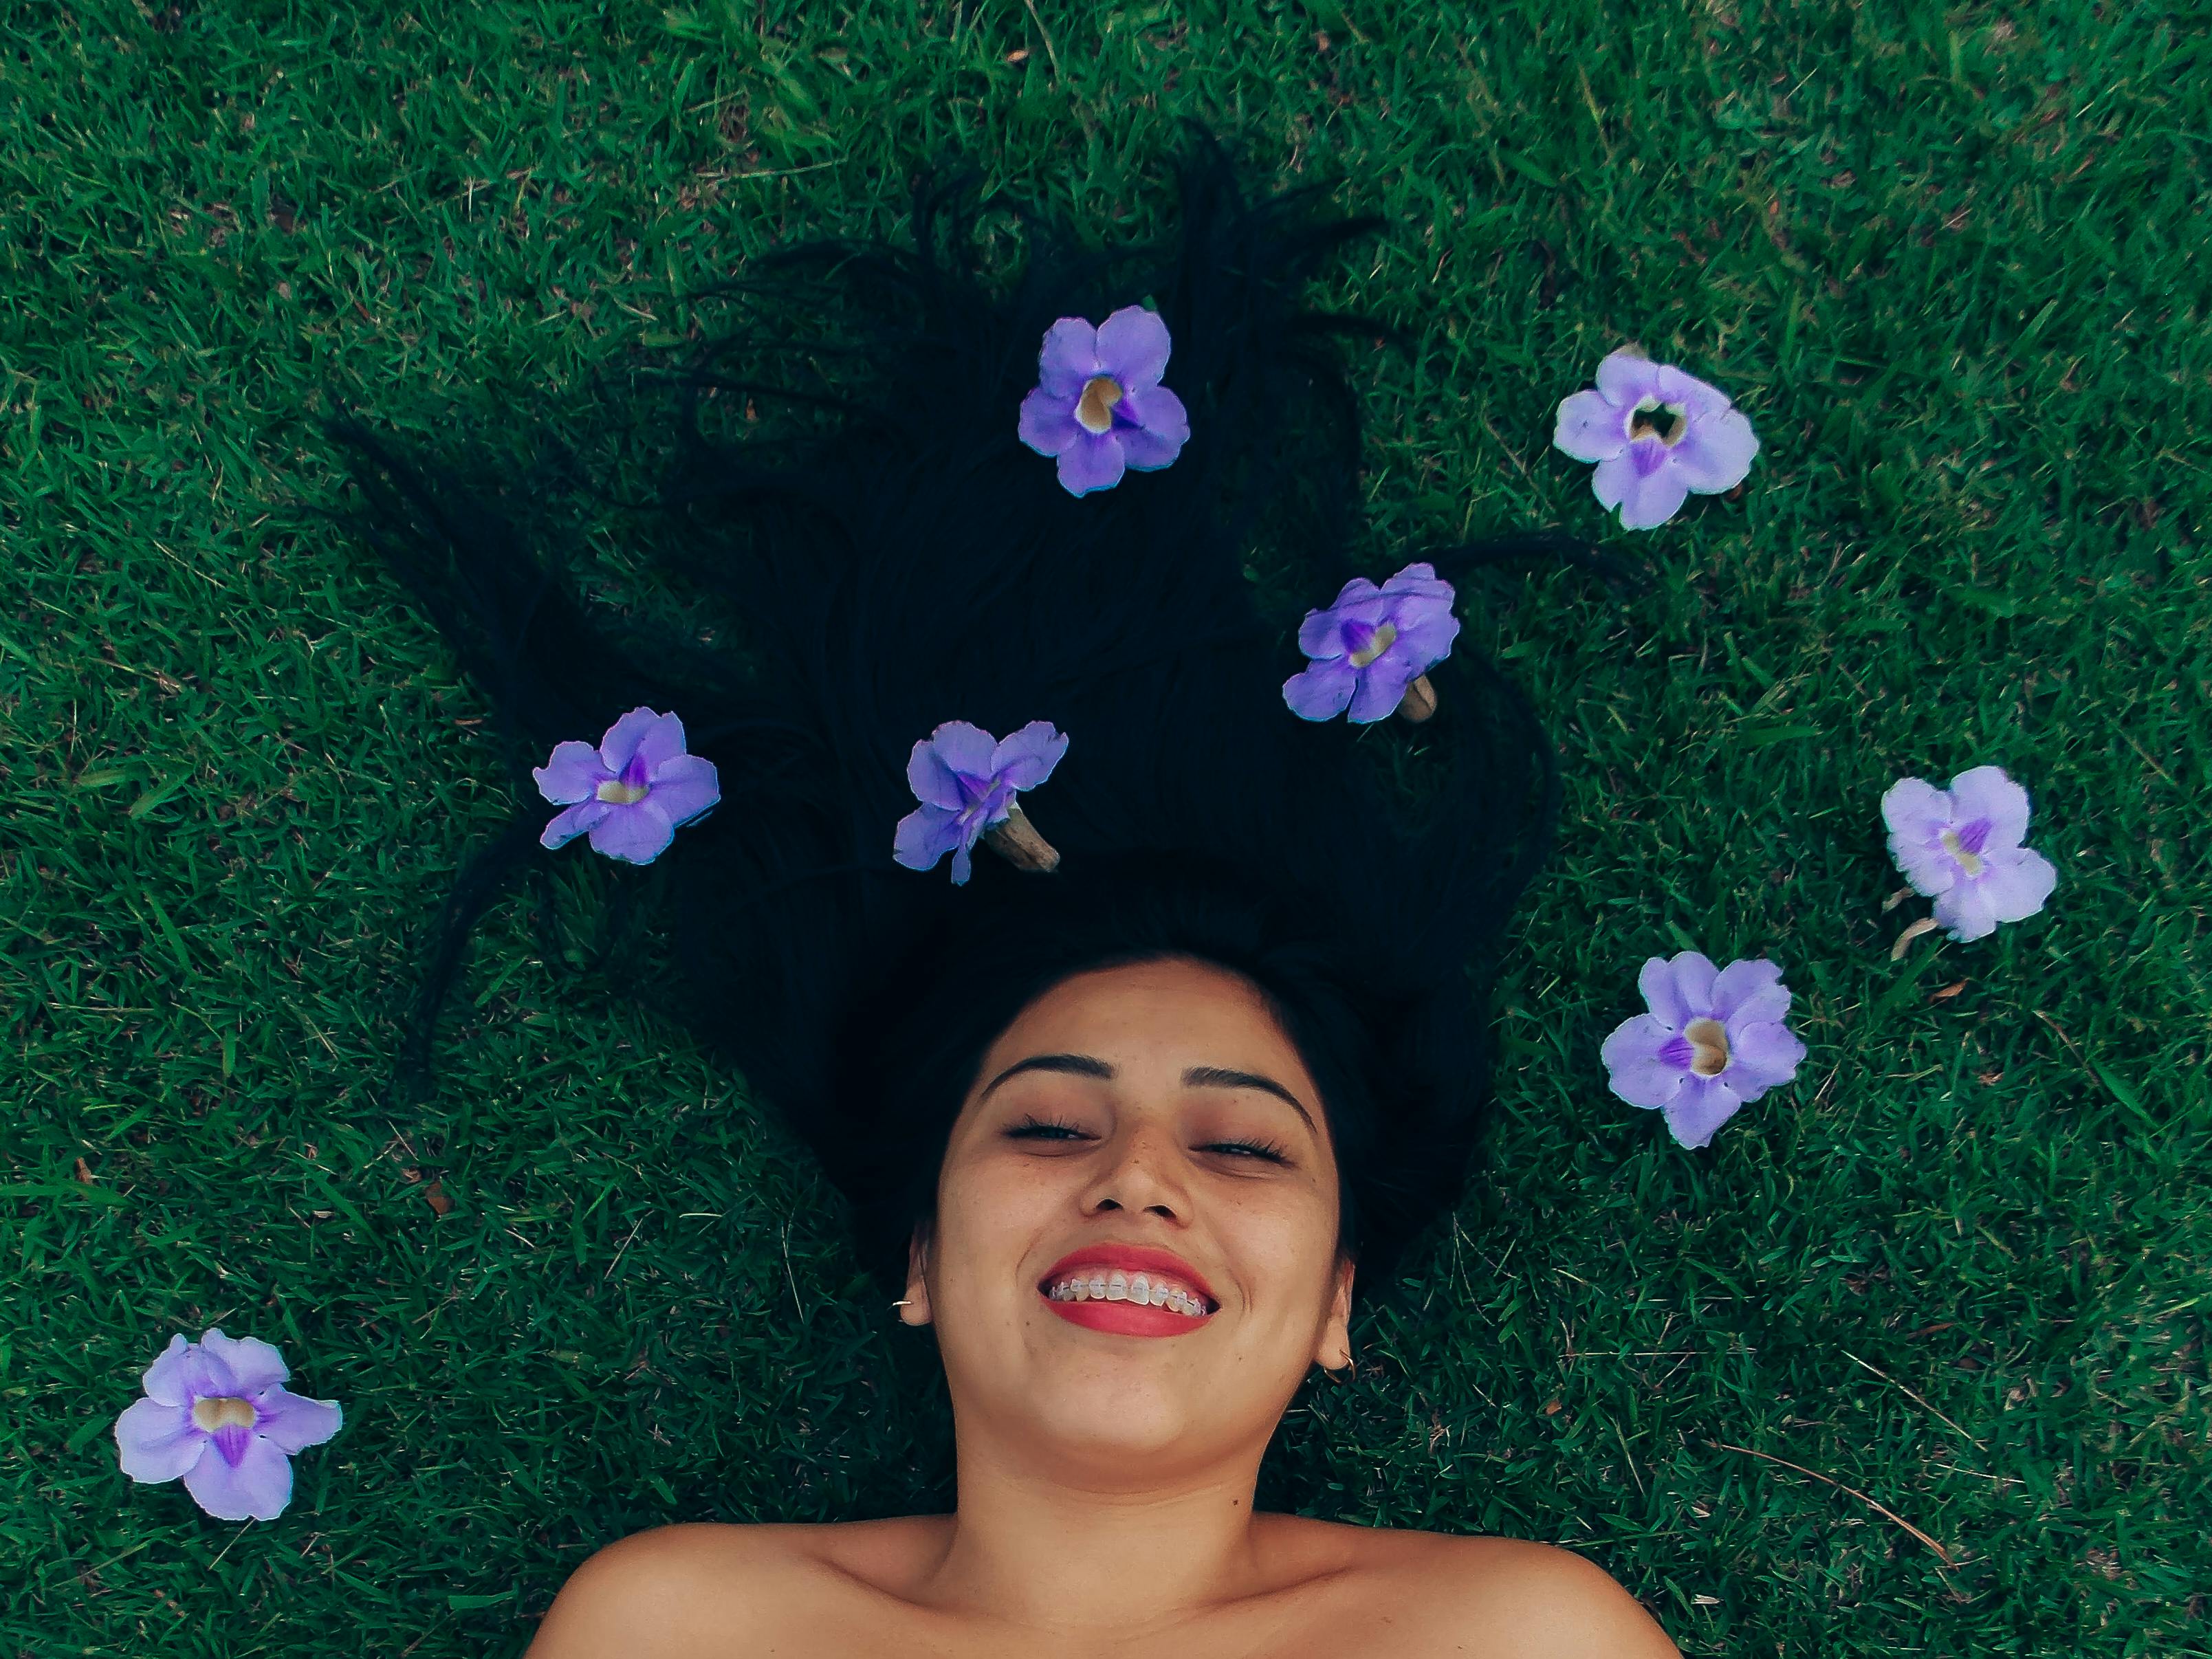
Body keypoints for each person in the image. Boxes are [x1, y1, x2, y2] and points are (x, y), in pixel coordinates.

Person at [342, 142, 1680, 1657]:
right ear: (919, 1253)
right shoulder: (681, 1624)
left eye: (1244, 1143)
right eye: (1046, 1122)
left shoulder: (1514, 1638)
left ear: (1336, 1302)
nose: (1135, 1177)